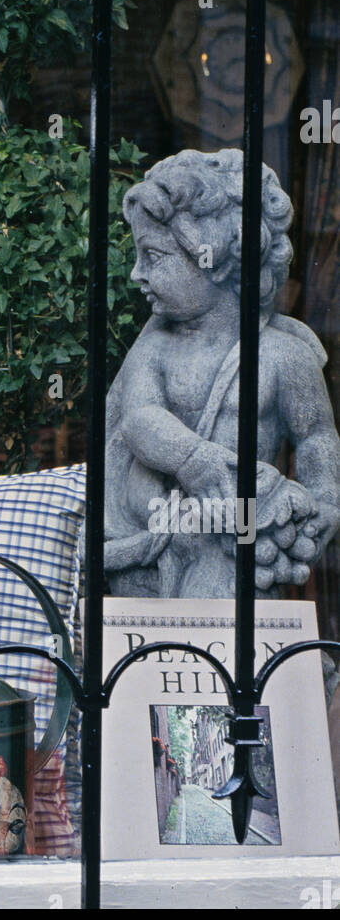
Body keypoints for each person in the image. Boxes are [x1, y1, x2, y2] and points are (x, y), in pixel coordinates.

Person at [104, 148, 340, 597]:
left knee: (225, 622)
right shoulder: (155, 348)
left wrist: (327, 501)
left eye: (153, 256)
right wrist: (193, 460)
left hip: (239, 543)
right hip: (150, 543)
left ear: (214, 258)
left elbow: (315, 437)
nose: (137, 273)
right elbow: (137, 418)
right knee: (144, 635)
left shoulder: (285, 355)